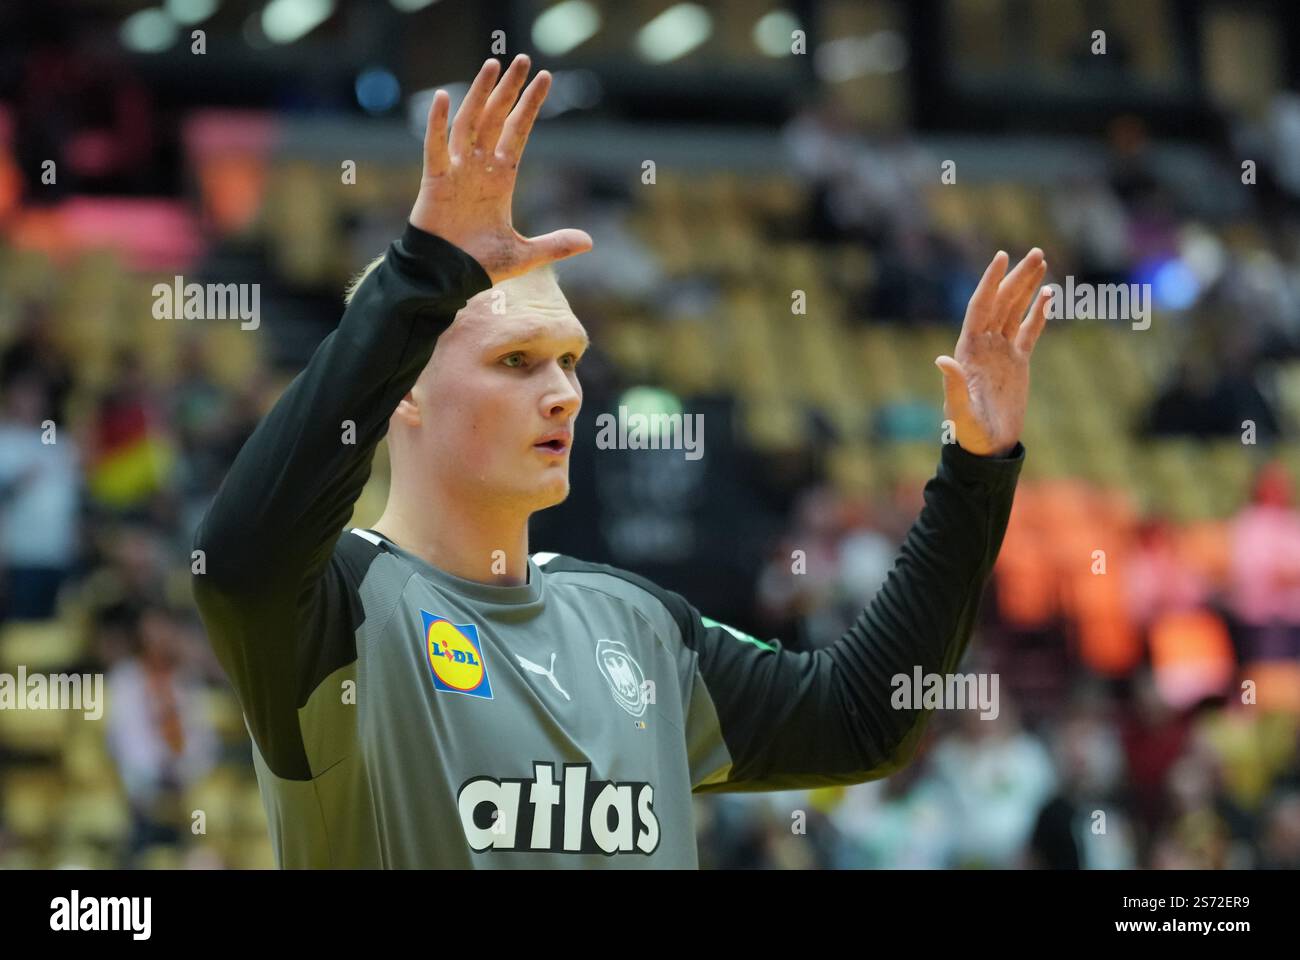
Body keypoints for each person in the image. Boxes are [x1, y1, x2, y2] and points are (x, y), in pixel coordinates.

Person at [191, 55, 1050, 868]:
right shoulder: (335, 611)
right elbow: (236, 561)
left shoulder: (638, 625)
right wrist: (421, 274)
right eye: (518, 361)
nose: (565, 392)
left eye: (570, 359)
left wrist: (974, 472)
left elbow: (863, 721)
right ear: (401, 389)